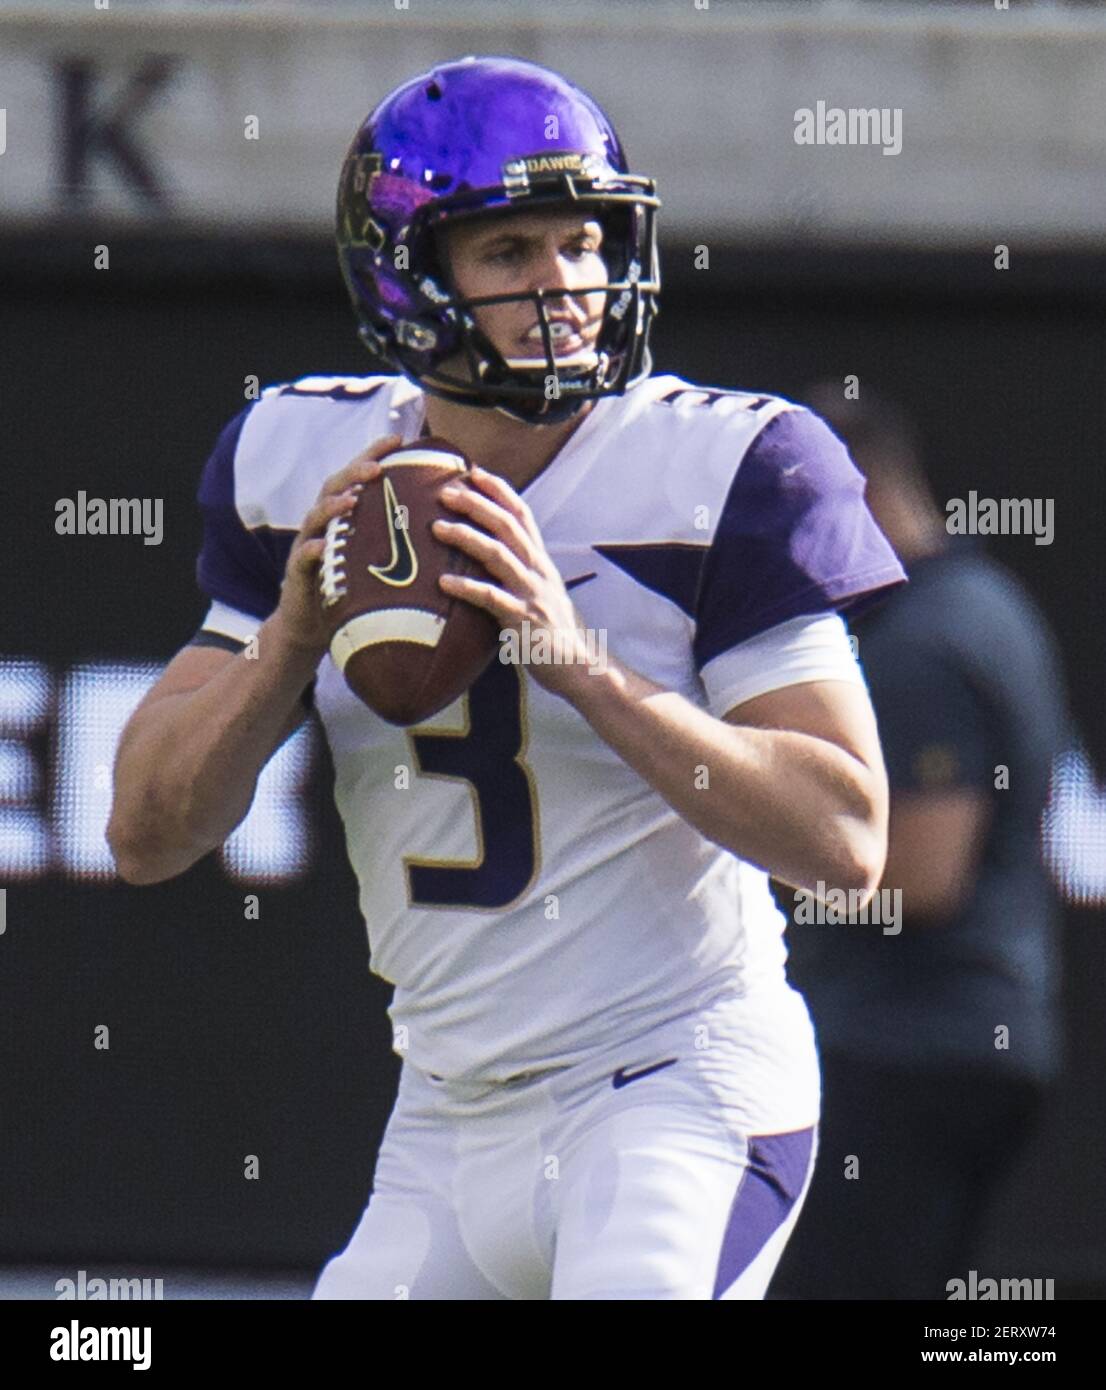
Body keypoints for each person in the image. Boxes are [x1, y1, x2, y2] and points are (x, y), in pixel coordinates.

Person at [107, 56, 905, 1300]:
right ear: (405, 276)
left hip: (671, 1091)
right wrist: (290, 637)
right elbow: (146, 831)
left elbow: (845, 839)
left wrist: (575, 663)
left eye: (583, 242)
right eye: (511, 252)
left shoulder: (723, 467)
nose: (565, 287)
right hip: (443, 1115)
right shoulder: (305, 460)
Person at [771, 385, 1069, 1301]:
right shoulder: (981, 602)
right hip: (962, 1044)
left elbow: (923, 875)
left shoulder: (921, 642)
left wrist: (745, 856)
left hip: (906, 1053)